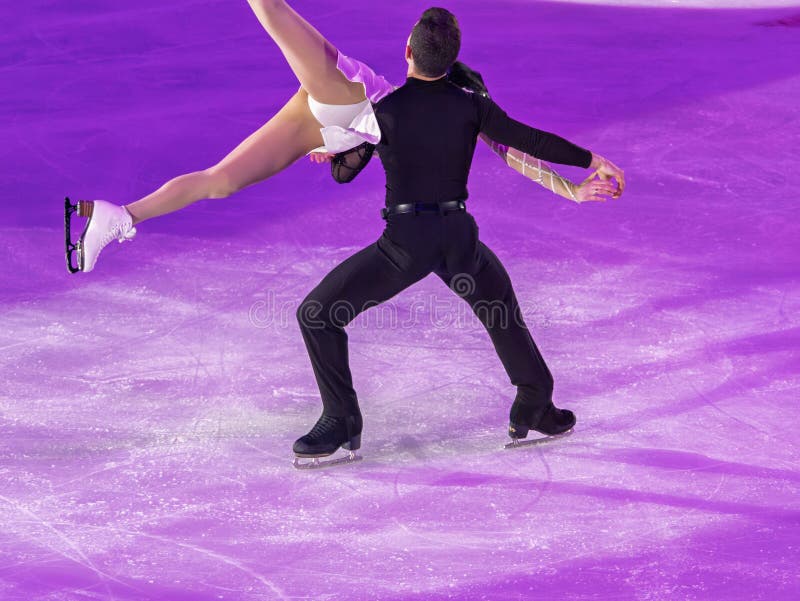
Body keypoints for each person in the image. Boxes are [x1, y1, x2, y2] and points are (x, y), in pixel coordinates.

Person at [291, 7, 625, 466]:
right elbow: (529, 139)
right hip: (457, 238)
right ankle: (535, 402)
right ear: (451, 59)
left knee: (317, 315)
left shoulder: (383, 111)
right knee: (499, 306)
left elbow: (345, 176)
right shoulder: (471, 104)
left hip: (405, 245)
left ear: (407, 52)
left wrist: (335, 152)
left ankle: (341, 419)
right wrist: (592, 161)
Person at [63, 0, 617, 274]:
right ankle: (121, 217)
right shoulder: (467, 97)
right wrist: (570, 188)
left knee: (221, 183)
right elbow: (516, 149)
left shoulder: (451, 94)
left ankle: (123, 215)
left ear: (410, 50)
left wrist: (345, 143)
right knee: (271, 10)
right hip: (347, 104)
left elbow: (512, 145)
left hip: (341, 105)